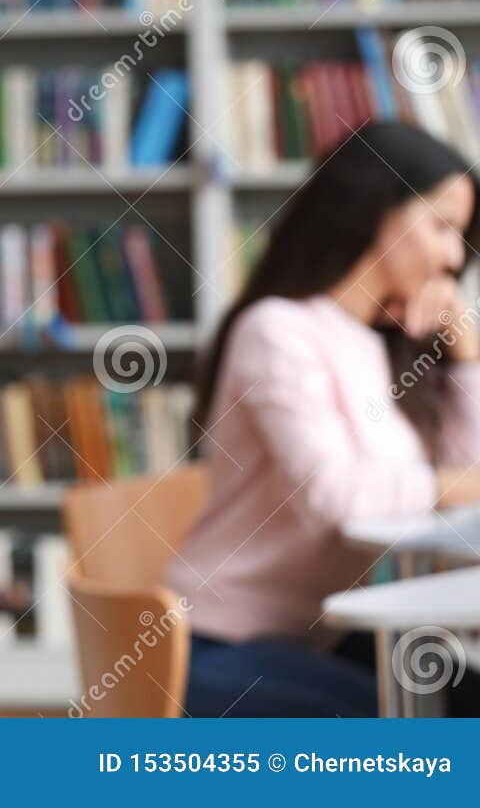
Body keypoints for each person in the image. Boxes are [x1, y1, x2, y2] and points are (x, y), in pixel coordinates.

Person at [169, 121, 480, 716]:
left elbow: (463, 492)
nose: (454, 257)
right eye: (441, 226)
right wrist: (464, 484)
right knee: (416, 727)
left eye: (460, 236)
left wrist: (465, 354)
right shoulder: (278, 332)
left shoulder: (381, 346)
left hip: (318, 633)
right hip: (219, 641)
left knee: (465, 701)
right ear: (372, 210)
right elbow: (337, 498)